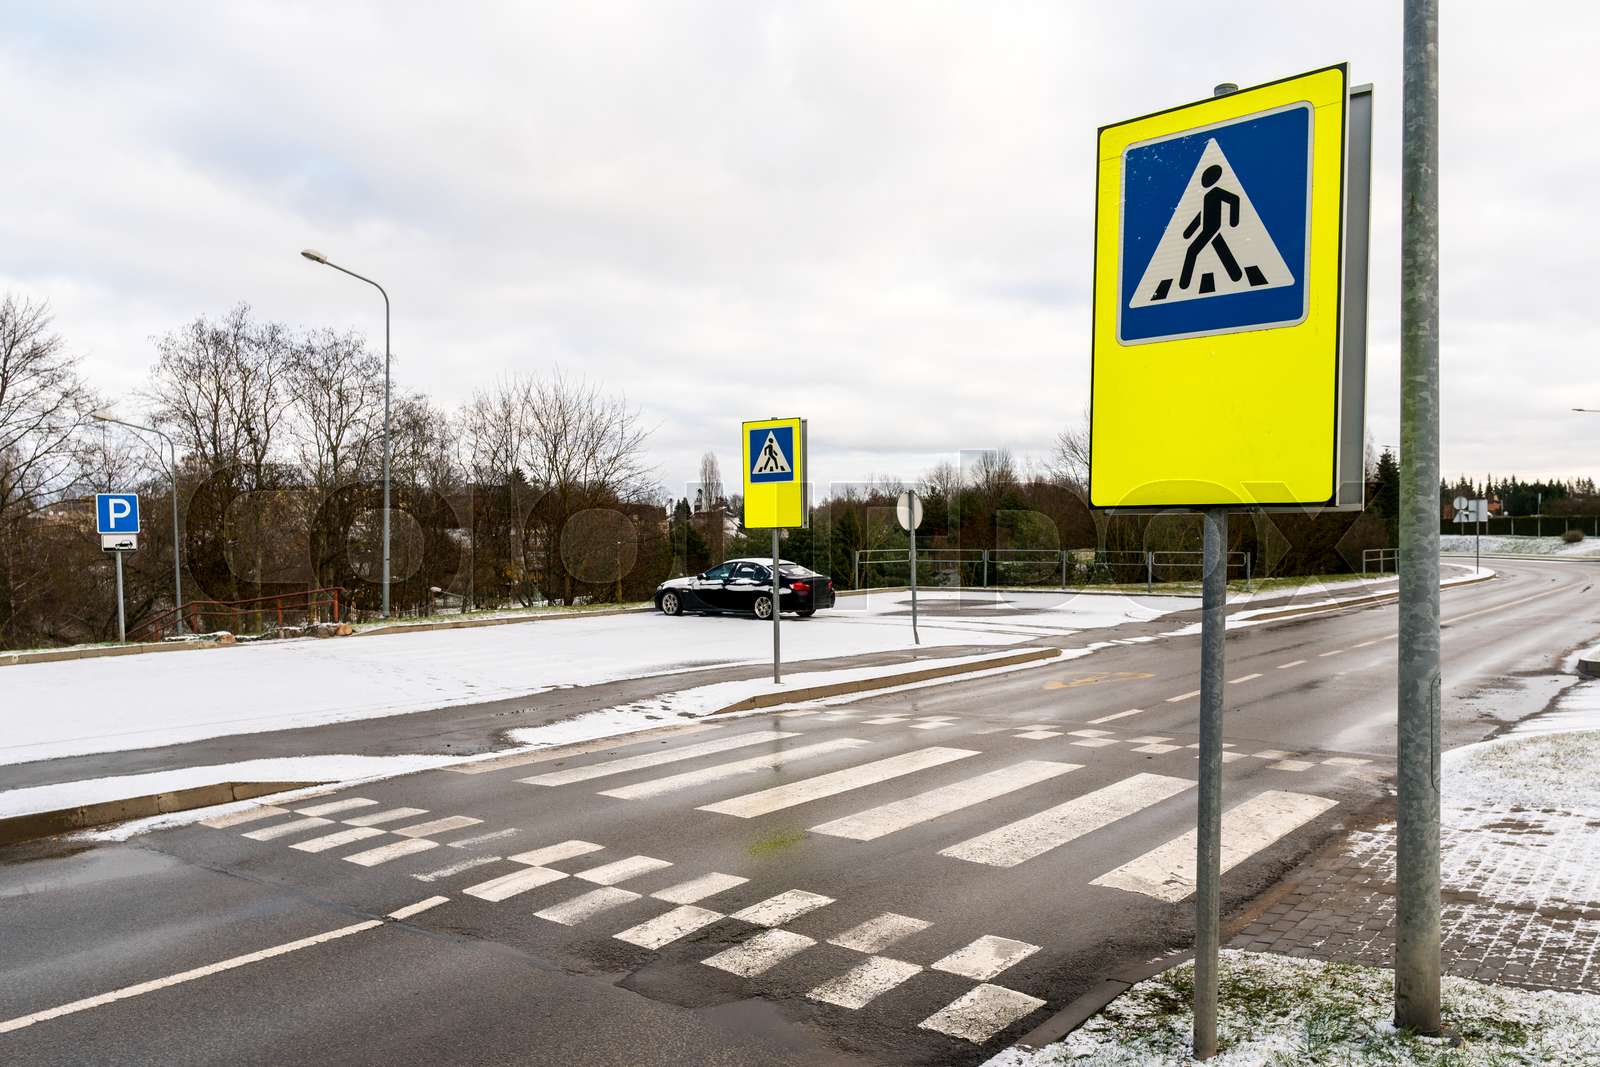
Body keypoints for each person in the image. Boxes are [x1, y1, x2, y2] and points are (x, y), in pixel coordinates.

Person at [1178, 164, 1243, 291]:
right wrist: (1189, 231)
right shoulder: (1208, 195)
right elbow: (1201, 215)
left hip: (1212, 228)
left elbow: (1234, 199)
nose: (1203, 182)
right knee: (1222, 250)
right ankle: (1236, 275)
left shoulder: (1217, 192)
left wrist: (1233, 221)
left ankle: (1183, 284)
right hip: (1208, 228)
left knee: (1192, 251)